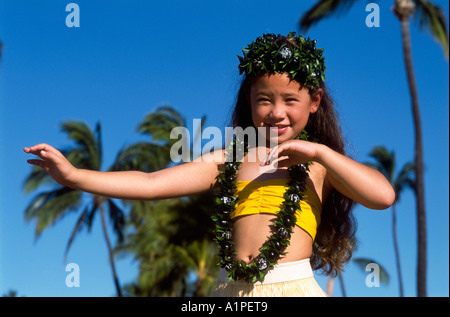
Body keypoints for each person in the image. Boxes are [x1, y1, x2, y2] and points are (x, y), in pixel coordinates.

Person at [24, 32, 395, 297]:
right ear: (249, 101)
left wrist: (321, 154)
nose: (276, 112)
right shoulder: (229, 159)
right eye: (264, 99)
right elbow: (152, 183)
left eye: (290, 100)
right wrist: (74, 176)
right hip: (227, 291)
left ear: (314, 102)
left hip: (292, 287)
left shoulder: (321, 164)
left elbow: (382, 196)